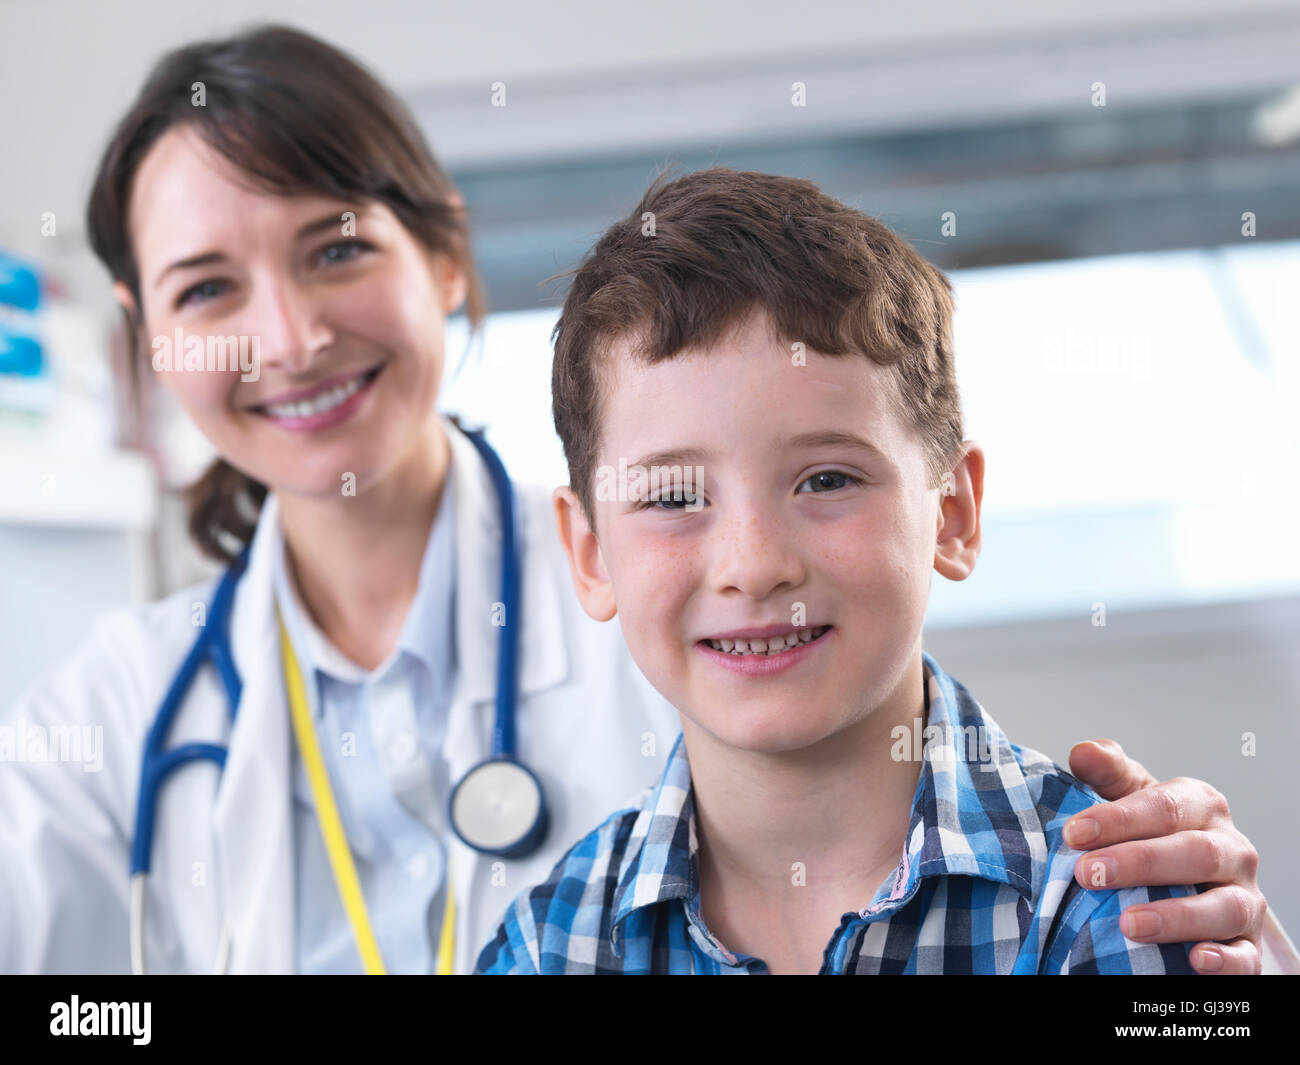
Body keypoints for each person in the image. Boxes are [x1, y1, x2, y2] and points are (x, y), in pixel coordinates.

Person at [0, 25, 1279, 975]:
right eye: (206, 288)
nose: (286, 337)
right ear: (147, 338)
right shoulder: (122, 706)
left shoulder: (1047, 878)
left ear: (445, 256)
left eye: (335, 248)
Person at [475, 168, 1294, 974]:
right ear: (588, 553)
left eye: (826, 480)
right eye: (676, 496)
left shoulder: (1120, 899)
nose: (754, 565)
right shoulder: (549, 945)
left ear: (953, 513)